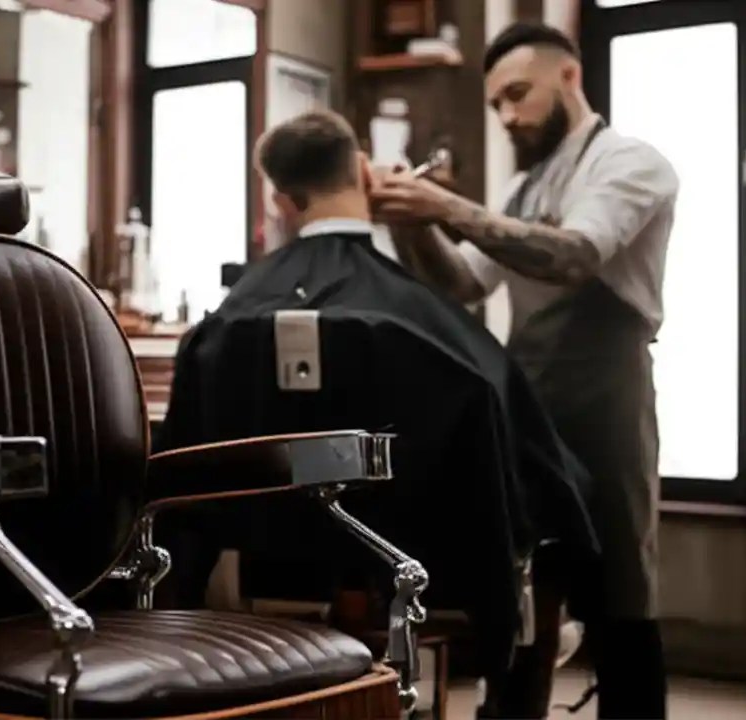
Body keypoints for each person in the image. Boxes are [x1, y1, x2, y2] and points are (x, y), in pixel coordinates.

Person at [154, 108, 602, 699]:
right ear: (365, 173)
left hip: (268, 537)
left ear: (280, 201)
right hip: (427, 540)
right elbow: (515, 441)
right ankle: (514, 673)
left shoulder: (222, 329)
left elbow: (183, 465)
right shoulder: (420, 322)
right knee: (559, 487)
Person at [372, 21, 678, 719]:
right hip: (531, 401)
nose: (508, 115)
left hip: (610, 401)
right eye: (498, 104)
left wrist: (447, 205)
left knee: (619, 593)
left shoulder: (630, 162)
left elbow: (573, 255)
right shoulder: (521, 184)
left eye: (518, 94)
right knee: (526, 593)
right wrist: (412, 224)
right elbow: (461, 286)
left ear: (569, 76)